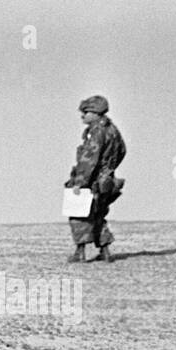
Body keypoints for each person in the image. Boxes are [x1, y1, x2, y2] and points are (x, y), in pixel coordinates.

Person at [65, 95, 126, 263]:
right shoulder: (112, 129)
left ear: (95, 112)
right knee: (99, 214)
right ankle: (105, 251)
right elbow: (122, 150)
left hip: (92, 181)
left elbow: (89, 160)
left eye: (85, 112)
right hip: (105, 180)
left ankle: (80, 252)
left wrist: (79, 183)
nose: (82, 116)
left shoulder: (96, 131)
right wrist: (109, 169)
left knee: (79, 214)